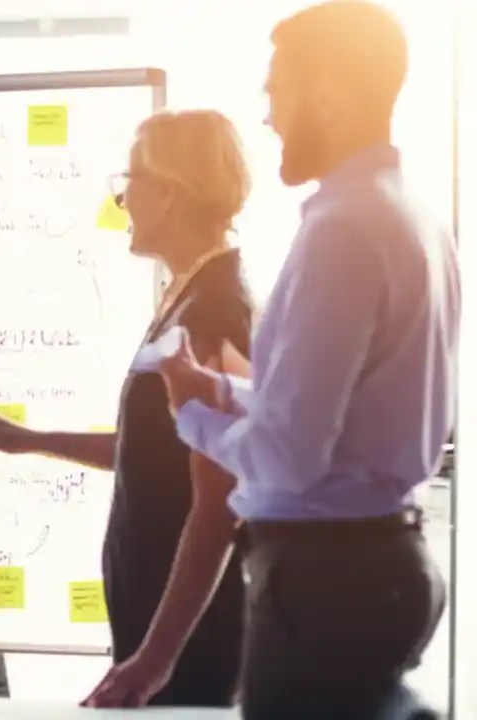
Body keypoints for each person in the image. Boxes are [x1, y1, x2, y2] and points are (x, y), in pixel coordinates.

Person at [160, 2, 456, 718]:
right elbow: (347, 412)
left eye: (277, 91)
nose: (269, 118)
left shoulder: (341, 232)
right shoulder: (411, 216)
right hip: (378, 564)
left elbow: (291, 457)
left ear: (326, 91)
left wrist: (192, 414)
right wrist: (228, 395)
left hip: (325, 582)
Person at [0, 110, 253, 708]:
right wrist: (26, 438)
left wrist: (153, 661)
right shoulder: (186, 297)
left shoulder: (215, 313)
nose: (121, 202)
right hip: (157, 628)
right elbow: (155, 454)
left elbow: (219, 502)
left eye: (130, 183)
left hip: (189, 644)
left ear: (169, 192)